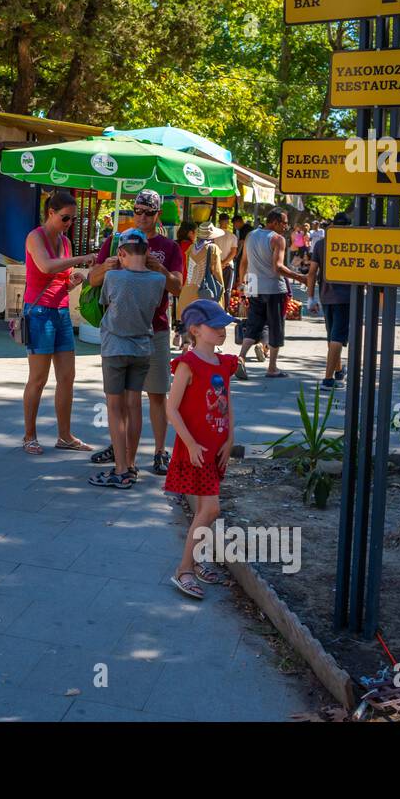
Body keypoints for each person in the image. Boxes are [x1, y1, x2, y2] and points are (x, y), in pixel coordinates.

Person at [87, 190, 185, 475]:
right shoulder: (116, 241)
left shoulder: (169, 247)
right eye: (137, 211)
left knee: (156, 393)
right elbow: (93, 280)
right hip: (119, 332)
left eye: (147, 213)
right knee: (121, 398)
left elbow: (177, 287)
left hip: (154, 329)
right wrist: (108, 266)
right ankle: (122, 452)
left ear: (157, 215)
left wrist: (158, 268)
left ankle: (158, 451)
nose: (141, 217)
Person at [164, 298, 240, 601]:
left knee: (202, 510)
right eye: (215, 325)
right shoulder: (188, 364)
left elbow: (226, 403)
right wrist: (191, 443)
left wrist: (230, 438)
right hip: (196, 450)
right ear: (195, 330)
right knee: (211, 508)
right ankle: (183, 570)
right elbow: (171, 409)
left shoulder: (224, 363)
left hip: (216, 448)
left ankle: (195, 561)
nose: (222, 330)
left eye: (224, 325)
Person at [21, 191, 97, 455]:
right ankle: (29, 435)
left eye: (73, 219)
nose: (68, 223)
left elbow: (60, 278)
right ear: (50, 213)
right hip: (39, 312)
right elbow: (45, 267)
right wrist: (82, 260)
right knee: (38, 378)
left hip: (60, 311)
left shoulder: (65, 242)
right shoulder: (35, 237)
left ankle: (64, 436)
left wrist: (72, 281)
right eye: (65, 218)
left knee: (67, 377)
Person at [235, 208, 306, 379]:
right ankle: (272, 367)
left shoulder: (251, 235)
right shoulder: (278, 239)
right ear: (274, 222)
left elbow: (243, 262)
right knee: (276, 327)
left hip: (253, 286)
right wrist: (300, 277)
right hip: (274, 289)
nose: (286, 226)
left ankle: (241, 357)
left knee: (253, 325)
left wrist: (241, 284)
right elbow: (278, 268)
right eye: (284, 223)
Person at [305, 210, 352, 390]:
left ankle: (339, 371)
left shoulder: (321, 245)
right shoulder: (354, 244)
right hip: (346, 298)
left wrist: (310, 298)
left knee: (332, 335)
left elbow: (312, 272)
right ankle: (328, 379)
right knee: (338, 337)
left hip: (326, 296)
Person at [179, 221, 226, 319]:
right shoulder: (213, 248)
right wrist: (222, 289)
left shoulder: (191, 248)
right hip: (204, 293)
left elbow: (188, 268)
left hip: (186, 292)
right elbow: (217, 271)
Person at [216, 213, 240, 299]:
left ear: (219, 221)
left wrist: (220, 263)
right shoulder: (232, 236)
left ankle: (215, 308)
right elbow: (233, 252)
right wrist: (224, 262)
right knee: (227, 290)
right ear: (228, 222)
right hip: (228, 266)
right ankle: (225, 310)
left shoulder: (214, 235)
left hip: (216, 265)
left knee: (215, 289)